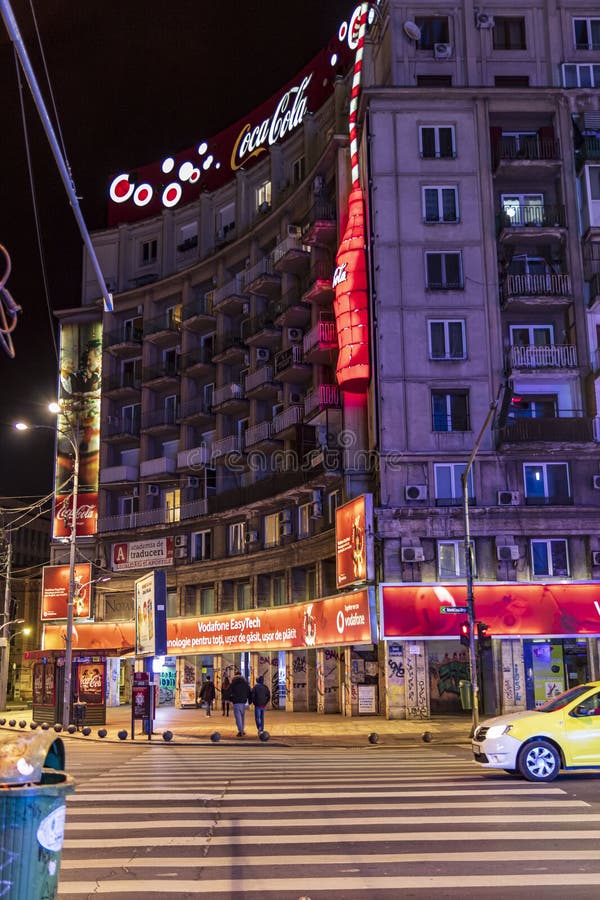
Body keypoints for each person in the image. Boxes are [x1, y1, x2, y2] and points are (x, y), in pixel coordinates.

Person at [228, 672, 252, 737]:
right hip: (243, 703)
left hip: (236, 703)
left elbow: (228, 693)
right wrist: (250, 701)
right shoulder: (245, 684)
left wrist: (231, 699)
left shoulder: (232, 684)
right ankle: (242, 730)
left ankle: (240, 731)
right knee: (242, 717)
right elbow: (249, 693)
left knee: (238, 718)